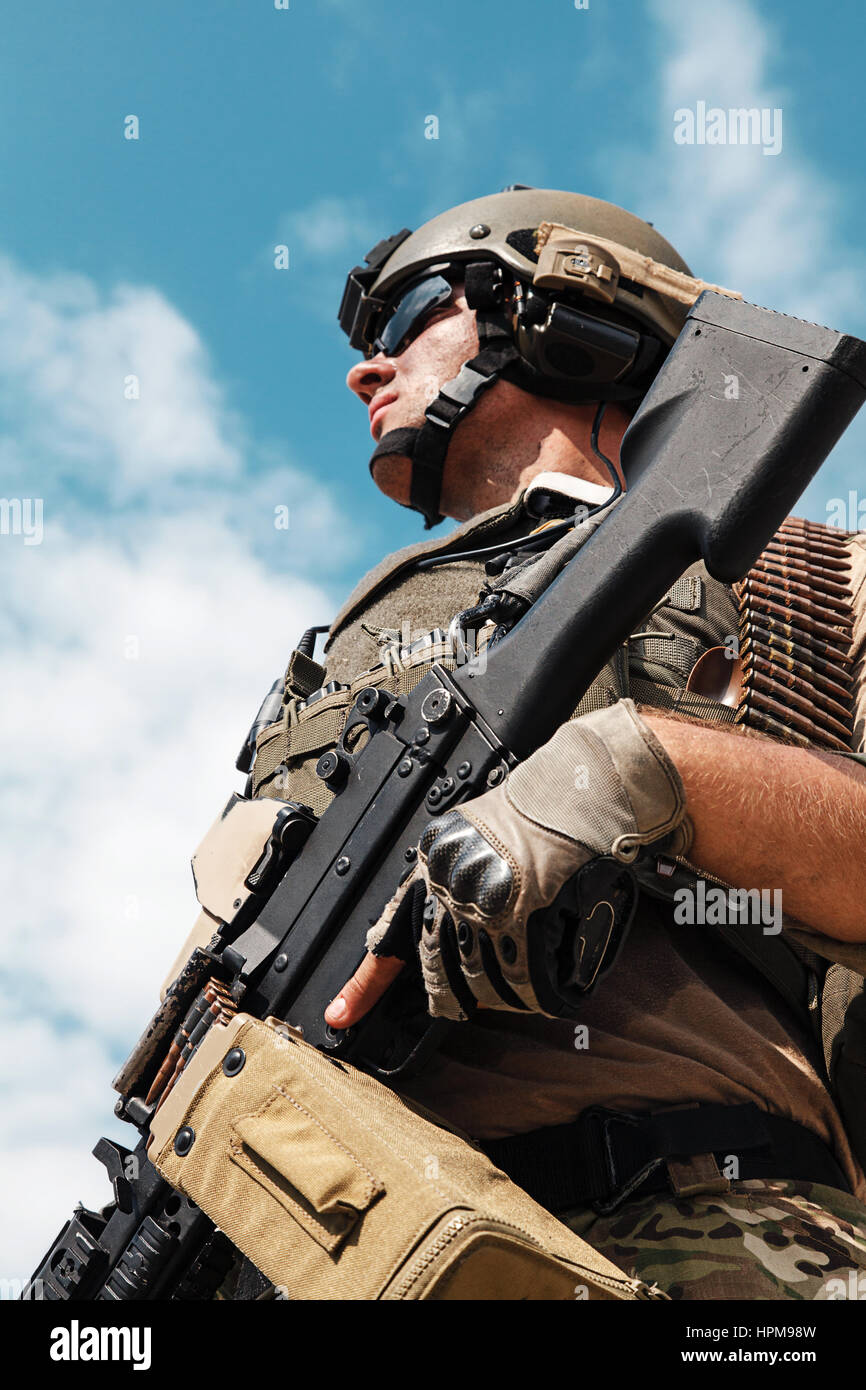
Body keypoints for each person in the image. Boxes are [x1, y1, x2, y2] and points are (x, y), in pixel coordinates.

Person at [247, 188, 866, 1300]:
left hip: (705, 1235)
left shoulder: (811, 589)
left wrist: (639, 770)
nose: (363, 369)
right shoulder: (337, 648)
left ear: (560, 314)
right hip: (348, 1243)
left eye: (404, 323)